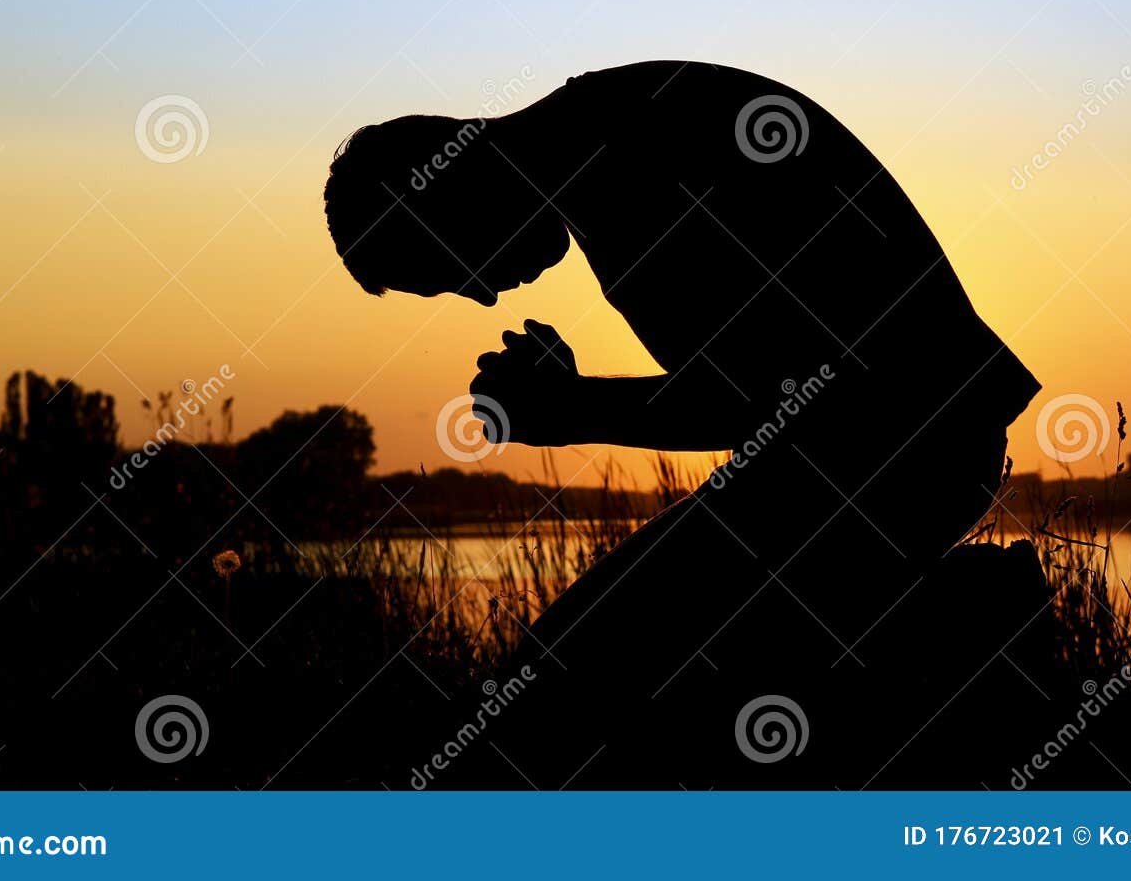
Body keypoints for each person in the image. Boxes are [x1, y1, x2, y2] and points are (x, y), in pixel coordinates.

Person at [324, 61, 1044, 785]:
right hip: (868, 453)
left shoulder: (629, 165)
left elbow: (761, 396)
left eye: (453, 265)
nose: (481, 294)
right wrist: (572, 397)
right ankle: (951, 627)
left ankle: (962, 624)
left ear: (452, 191)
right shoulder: (604, 143)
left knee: (569, 680)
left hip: (898, 456)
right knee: (565, 671)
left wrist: (572, 407)